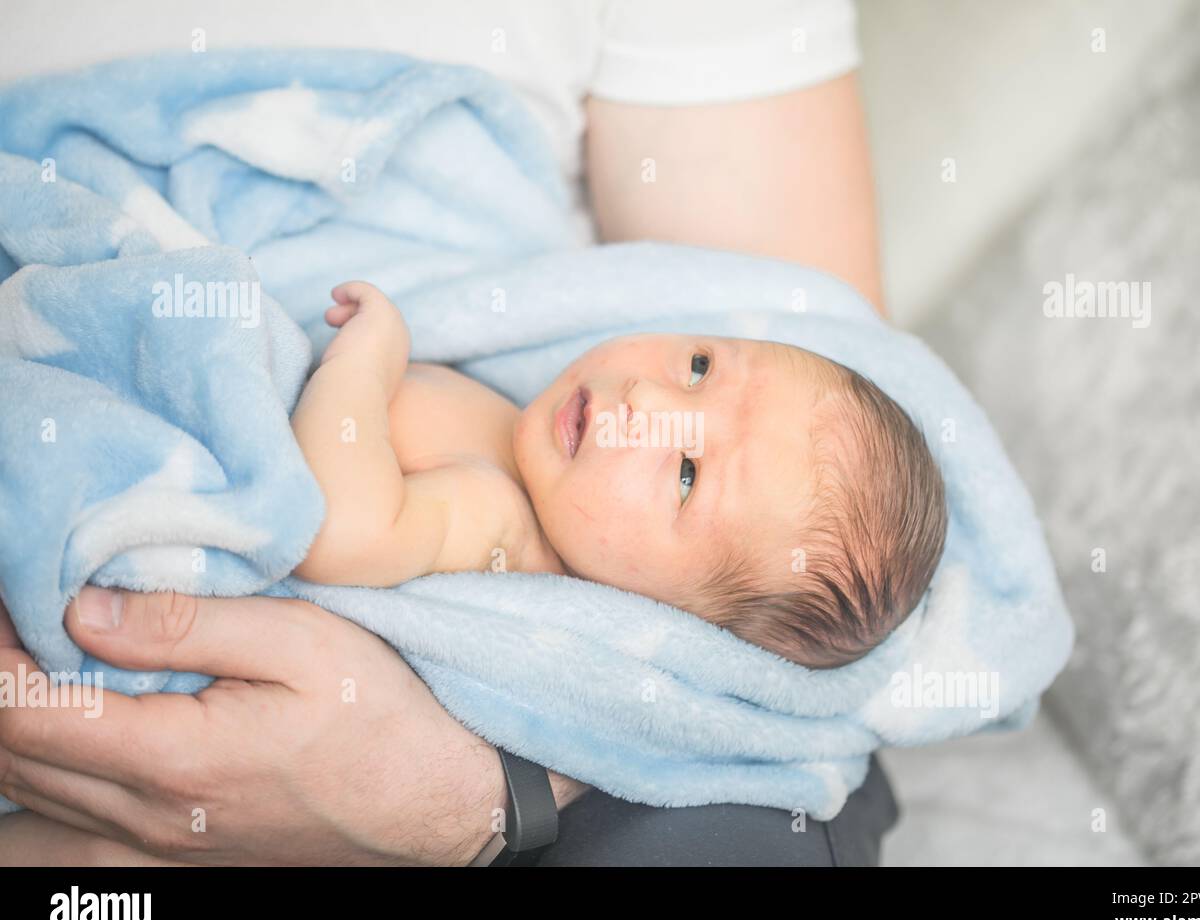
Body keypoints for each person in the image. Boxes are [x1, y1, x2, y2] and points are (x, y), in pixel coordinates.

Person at [0, 0, 886, 864]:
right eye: (699, 367)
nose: (646, 405)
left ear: (669, 610)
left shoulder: (497, 517)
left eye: (687, 475)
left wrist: (367, 359)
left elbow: (342, 532)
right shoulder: (521, 439)